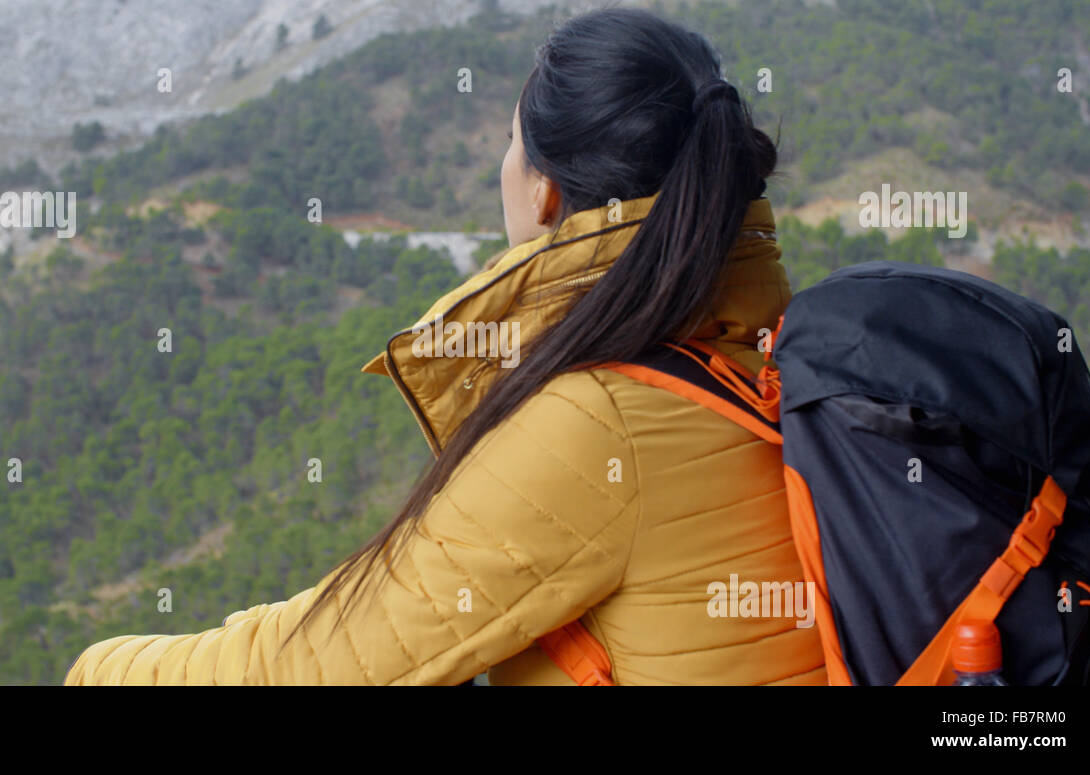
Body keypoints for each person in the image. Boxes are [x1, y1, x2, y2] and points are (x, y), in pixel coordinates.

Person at [65, 7, 826, 686]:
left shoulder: (600, 422)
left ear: (545, 194)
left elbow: (318, 664)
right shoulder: (779, 354)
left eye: (509, 143)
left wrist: (95, 669)